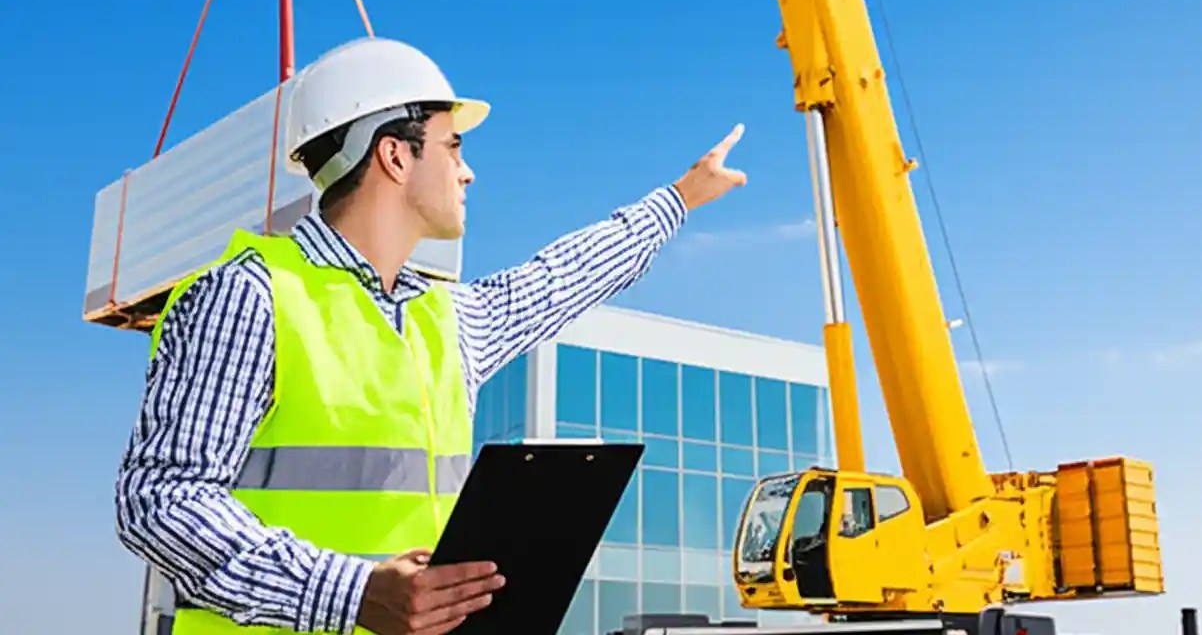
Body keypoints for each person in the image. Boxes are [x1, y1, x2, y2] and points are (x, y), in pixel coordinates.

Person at [114, 36, 747, 635]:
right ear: (395, 154)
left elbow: (558, 280)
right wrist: (350, 592)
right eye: (453, 147)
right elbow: (160, 498)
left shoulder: (445, 318)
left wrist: (681, 199)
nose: (467, 173)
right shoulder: (248, 296)